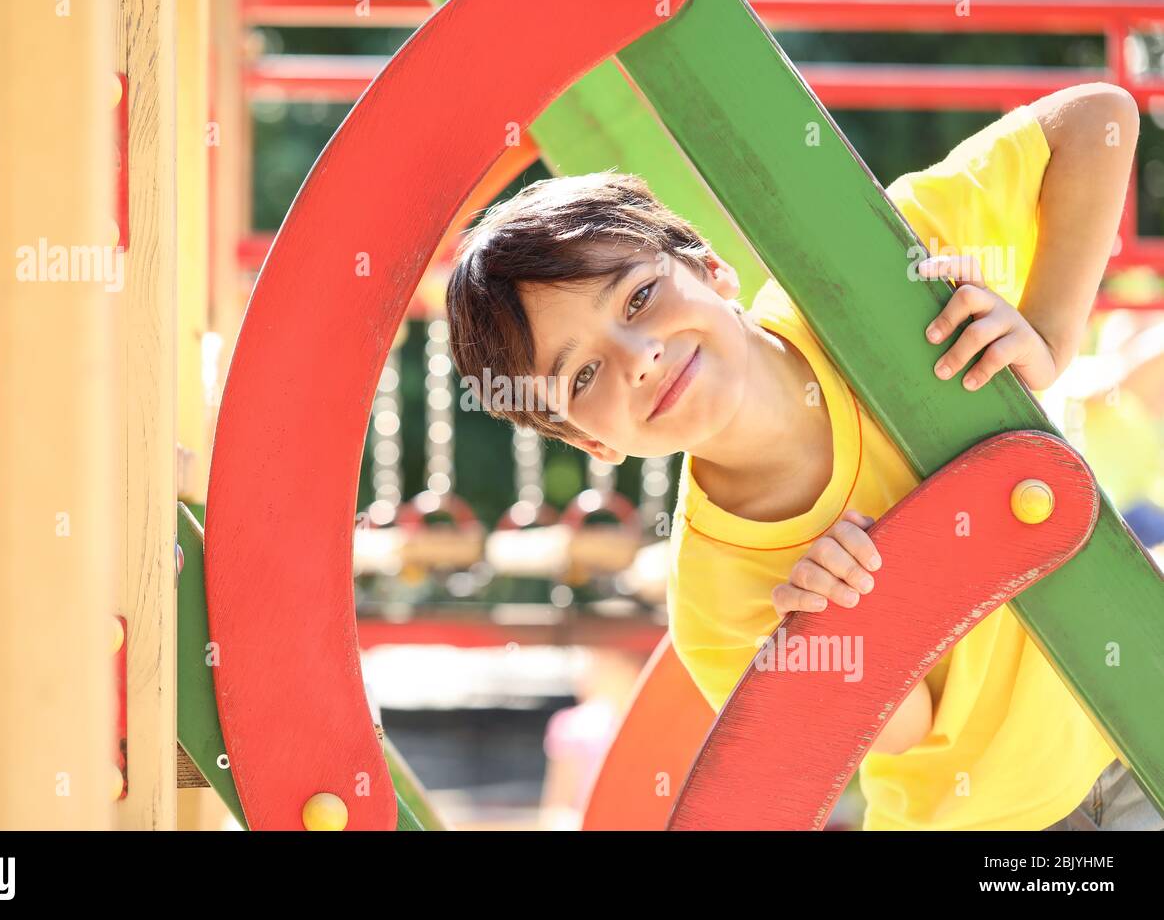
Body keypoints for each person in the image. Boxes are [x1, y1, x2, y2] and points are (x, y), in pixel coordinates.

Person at [446, 82, 1159, 829]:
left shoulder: (872, 280)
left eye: (639, 297)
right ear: (595, 442)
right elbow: (907, 732)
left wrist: (1047, 333)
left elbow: (1100, 119)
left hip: (1141, 696)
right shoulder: (715, 597)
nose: (642, 355)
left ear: (713, 269)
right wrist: (852, 622)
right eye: (583, 375)